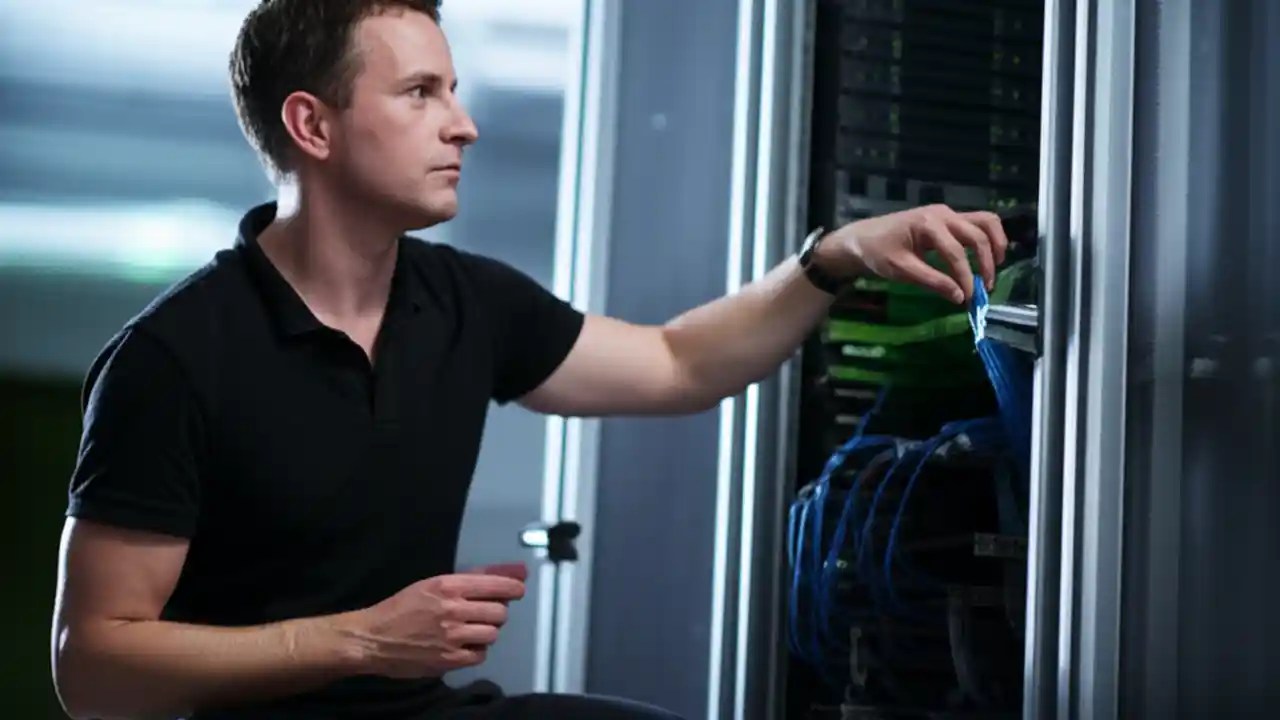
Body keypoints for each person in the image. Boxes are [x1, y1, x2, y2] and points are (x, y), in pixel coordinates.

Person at [48, 1, 1009, 719]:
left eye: (452, 91)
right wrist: (360, 640)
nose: (461, 124)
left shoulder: (464, 301)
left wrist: (830, 256)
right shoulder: (172, 360)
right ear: (314, 126)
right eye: (420, 93)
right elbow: (93, 667)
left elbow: (679, 363)